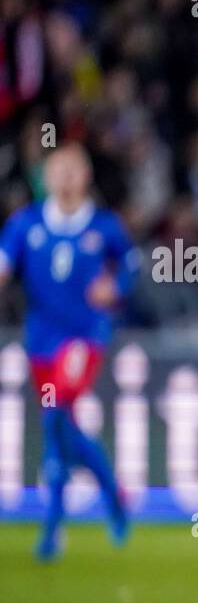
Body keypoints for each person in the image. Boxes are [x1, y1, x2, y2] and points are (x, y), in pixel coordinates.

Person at [0, 144, 136, 561]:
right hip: (41, 338)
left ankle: (53, 526)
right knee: (57, 423)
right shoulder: (25, 224)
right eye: (57, 169)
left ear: (86, 175)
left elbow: (131, 266)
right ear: (46, 175)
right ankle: (112, 494)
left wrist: (114, 288)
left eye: (73, 169)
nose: (65, 177)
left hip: (84, 338)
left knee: (57, 413)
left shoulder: (103, 226)